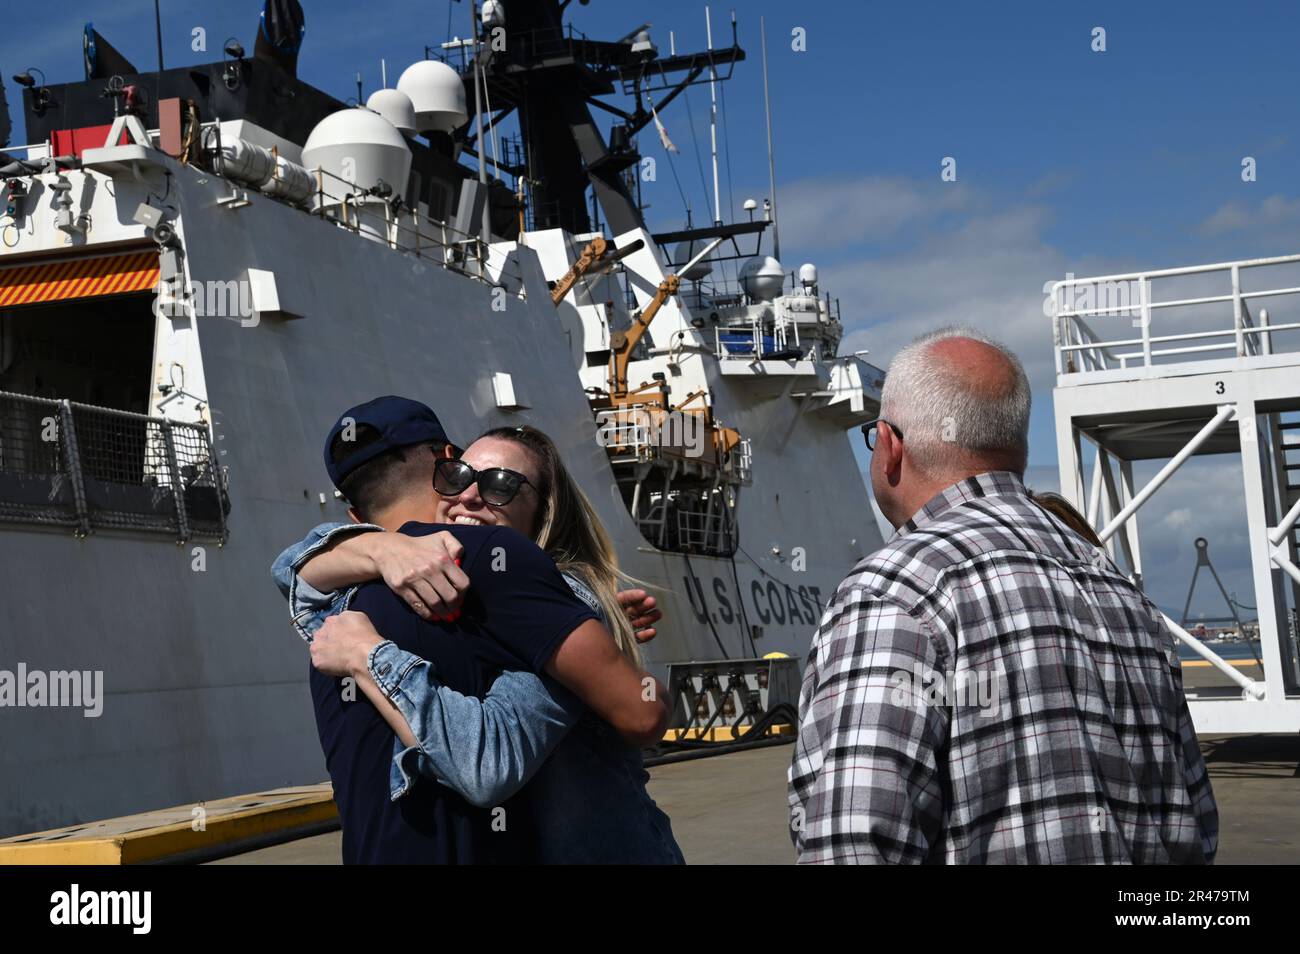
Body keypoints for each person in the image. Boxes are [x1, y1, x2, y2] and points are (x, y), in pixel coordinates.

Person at [788, 327, 1218, 864]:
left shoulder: (895, 591)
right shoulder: (1123, 593)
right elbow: (1195, 824)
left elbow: (852, 844)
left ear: (891, 447)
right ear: (1017, 444)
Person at [272, 398, 682, 863]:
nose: (469, 496)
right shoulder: (369, 583)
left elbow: (488, 765)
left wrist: (369, 655)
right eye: (460, 477)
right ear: (444, 467)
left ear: (546, 508)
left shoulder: (532, 582)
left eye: (502, 484)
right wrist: (384, 549)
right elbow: (291, 570)